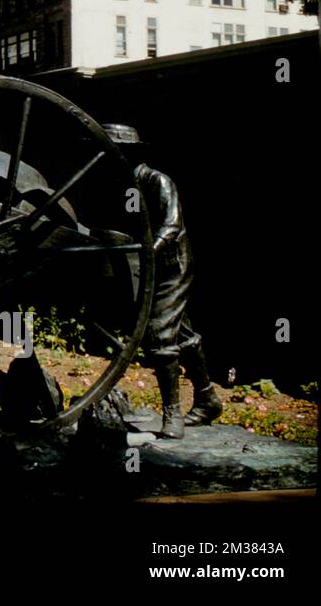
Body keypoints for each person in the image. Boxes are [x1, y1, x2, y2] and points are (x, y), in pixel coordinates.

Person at [104, 123, 223, 438]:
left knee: (159, 334)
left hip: (171, 264)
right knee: (180, 329)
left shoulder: (158, 181)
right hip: (147, 264)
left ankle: (173, 414)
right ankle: (208, 398)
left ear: (127, 152)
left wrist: (148, 252)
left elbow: (171, 226)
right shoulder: (123, 183)